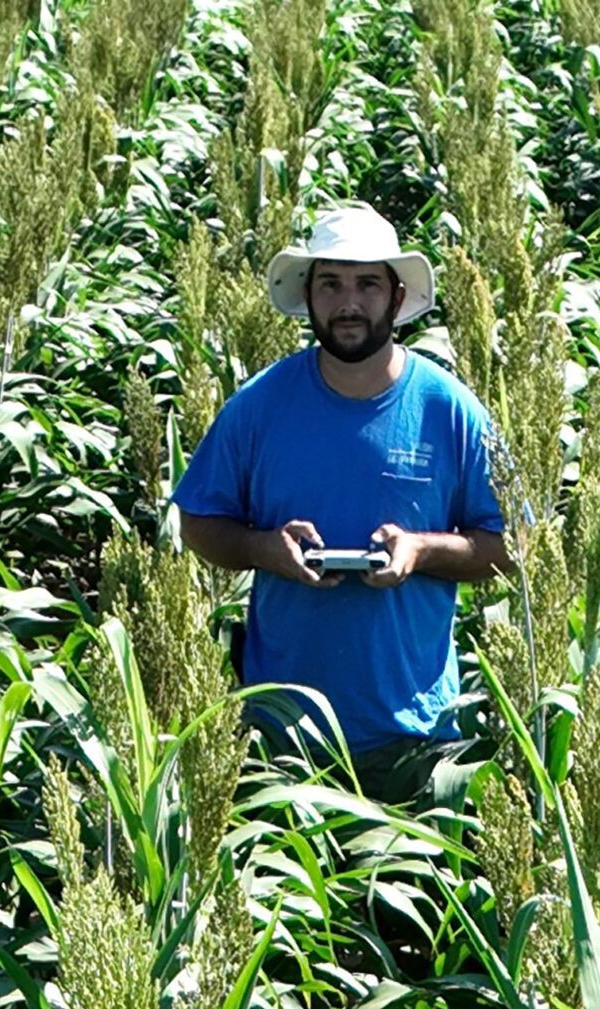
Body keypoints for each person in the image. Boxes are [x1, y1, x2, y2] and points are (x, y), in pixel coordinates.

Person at [170, 204, 513, 803]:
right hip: (284, 737)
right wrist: (261, 548)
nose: (348, 302)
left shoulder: (451, 409)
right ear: (307, 294)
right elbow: (199, 521)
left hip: (413, 739)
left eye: (366, 283)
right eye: (330, 283)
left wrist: (422, 550)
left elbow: (512, 544)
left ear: (396, 294)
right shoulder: (258, 406)